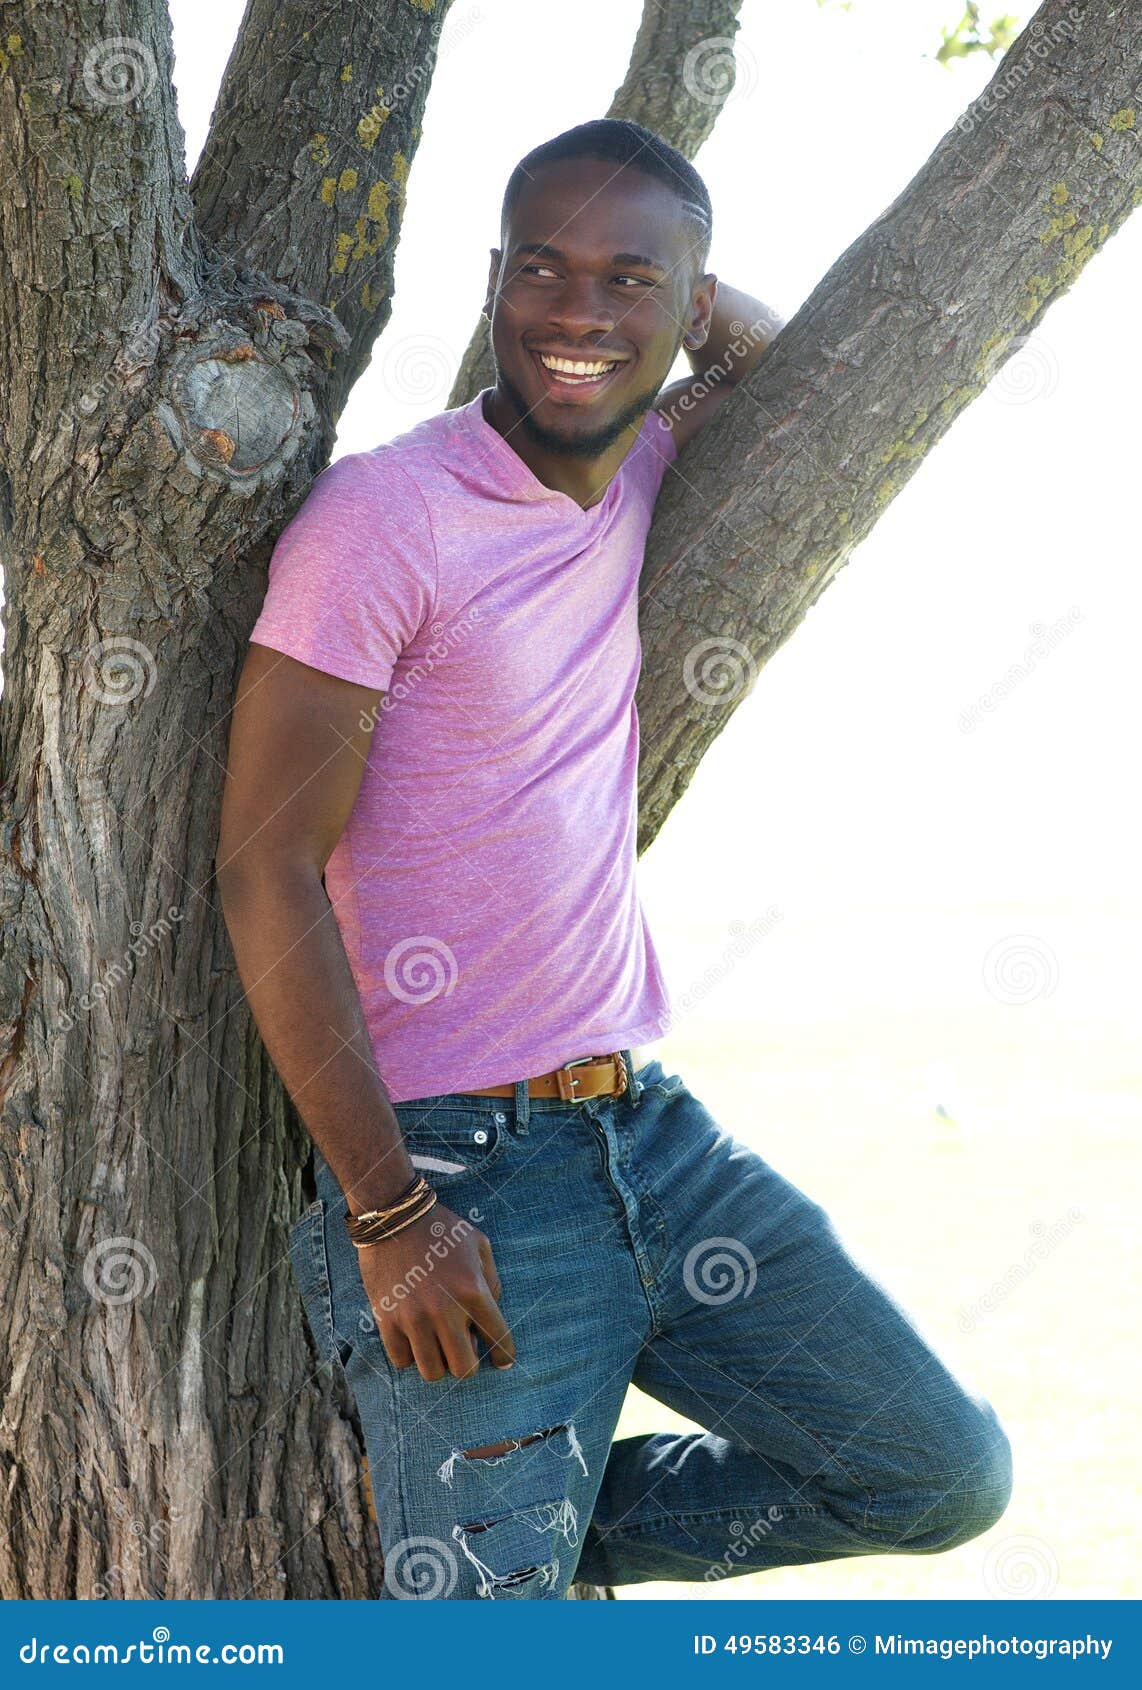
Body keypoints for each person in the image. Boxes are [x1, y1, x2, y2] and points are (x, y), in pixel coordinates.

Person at [217, 118, 1011, 1600]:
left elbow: (791, 368)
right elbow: (265, 868)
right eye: (542, 271)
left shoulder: (634, 464)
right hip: (457, 1173)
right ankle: (467, 1559)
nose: (575, 314)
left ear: (684, 302)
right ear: (493, 285)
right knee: (486, 1634)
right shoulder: (381, 521)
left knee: (934, 1470)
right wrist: (392, 1213)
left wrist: (682, 301)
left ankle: (504, 1536)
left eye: (627, 281)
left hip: (650, 1135)